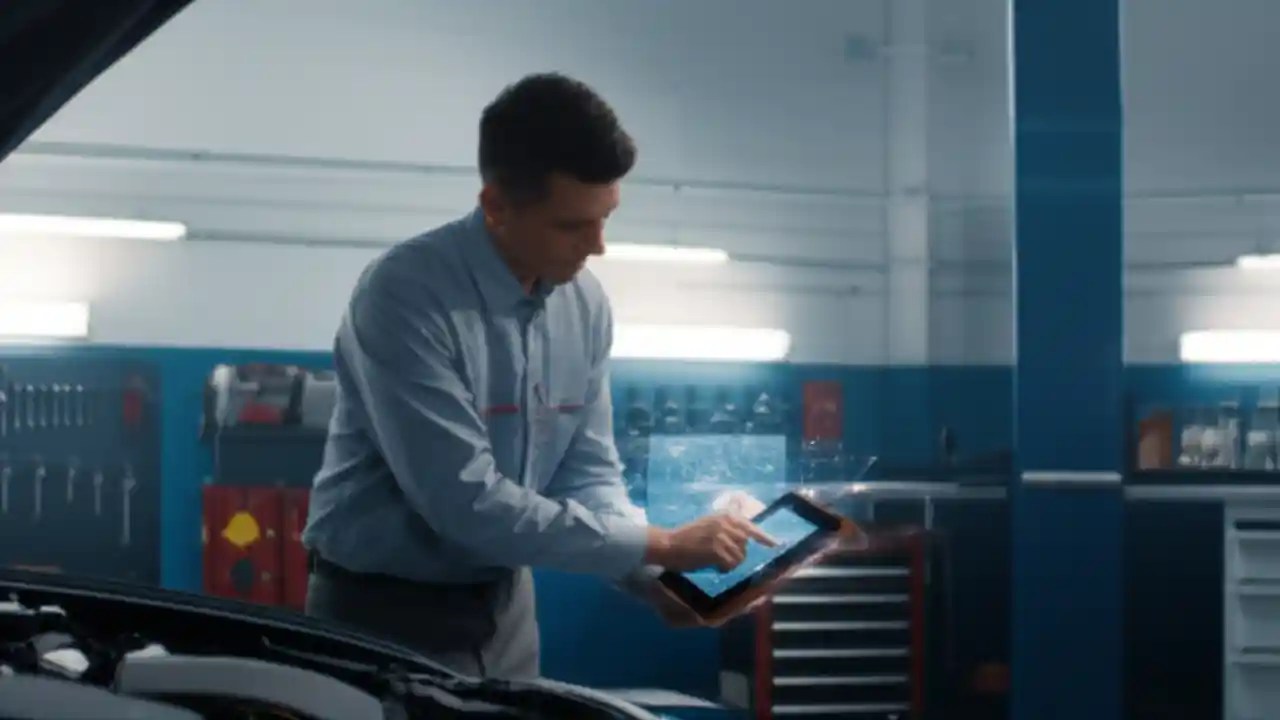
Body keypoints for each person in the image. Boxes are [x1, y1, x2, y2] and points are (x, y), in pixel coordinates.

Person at [301, 73, 774, 680]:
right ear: (495, 206)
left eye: (606, 218)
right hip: (378, 609)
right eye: (573, 225)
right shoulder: (405, 296)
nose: (598, 247)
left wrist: (655, 581)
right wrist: (662, 544)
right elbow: (465, 504)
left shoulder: (585, 304)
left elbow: (587, 473)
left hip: (505, 607)